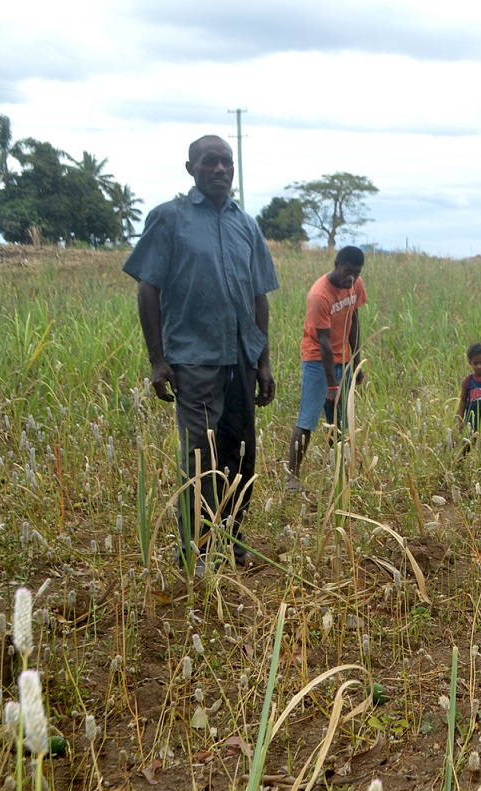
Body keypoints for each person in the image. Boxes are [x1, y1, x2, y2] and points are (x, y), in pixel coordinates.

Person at [126, 135, 279, 572]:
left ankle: (230, 537)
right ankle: (195, 549)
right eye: (209, 162)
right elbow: (148, 287)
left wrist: (263, 361)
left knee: (241, 454)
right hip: (192, 360)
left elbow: (260, 297)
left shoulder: (246, 225)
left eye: (226, 162)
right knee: (201, 456)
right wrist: (158, 360)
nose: (220, 170)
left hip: (242, 360)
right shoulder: (169, 219)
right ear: (190, 168)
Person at [286, 246, 367, 491]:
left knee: (341, 421)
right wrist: (331, 384)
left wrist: (356, 361)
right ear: (336, 264)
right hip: (317, 361)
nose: (350, 278)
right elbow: (323, 343)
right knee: (307, 420)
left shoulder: (355, 284)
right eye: (346, 271)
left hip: (343, 359)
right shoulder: (319, 295)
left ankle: (341, 471)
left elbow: (353, 321)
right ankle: (292, 477)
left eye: (355, 272)